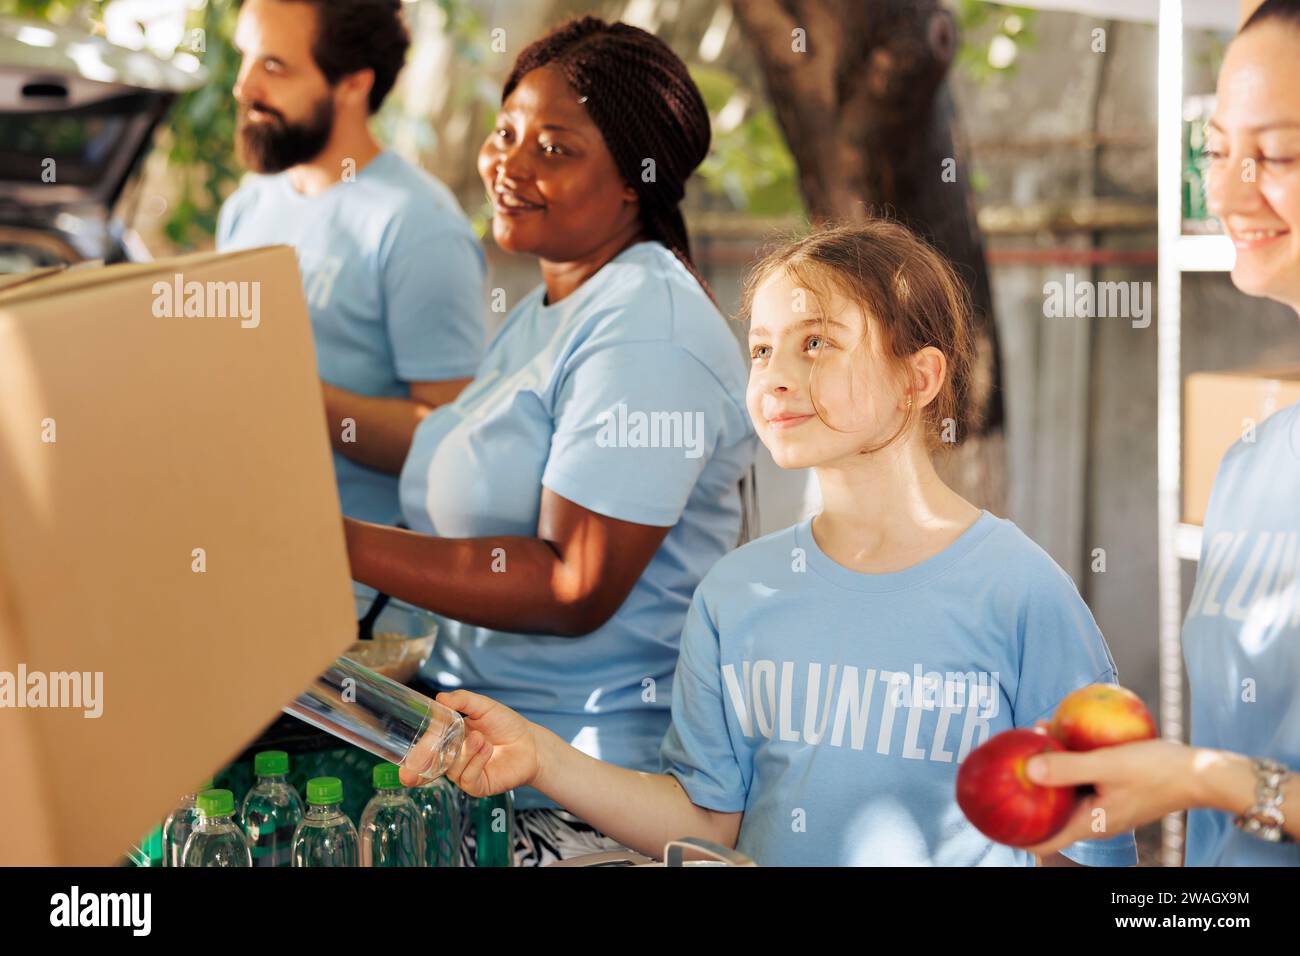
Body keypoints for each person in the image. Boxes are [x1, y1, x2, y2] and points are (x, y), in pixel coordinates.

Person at [418, 220, 1138, 867]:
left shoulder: (1023, 594)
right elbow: (707, 824)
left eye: (816, 343)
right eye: (762, 349)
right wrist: (540, 755)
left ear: (919, 377)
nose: (777, 378)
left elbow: (1088, 853)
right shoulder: (736, 596)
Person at [343, 17, 757, 865]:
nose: (510, 165)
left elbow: (573, 582)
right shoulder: (555, 306)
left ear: (636, 179)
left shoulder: (647, 329)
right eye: (506, 134)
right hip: (482, 758)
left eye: (556, 149)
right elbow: (449, 446)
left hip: (587, 803)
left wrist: (330, 546)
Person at [1020, 0, 1300, 865]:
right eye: (1217, 149)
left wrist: (1204, 778)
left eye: (1278, 152)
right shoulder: (1254, 461)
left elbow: (1222, 776)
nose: (1224, 191)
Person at [217, 0, 486, 528]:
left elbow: (449, 440)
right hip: (239, 531)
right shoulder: (248, 205)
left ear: (352, 85)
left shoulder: (420, 229)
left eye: (274, 66)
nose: (243, 87)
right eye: (244, 57)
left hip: (355, 585)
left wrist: (293, 394)